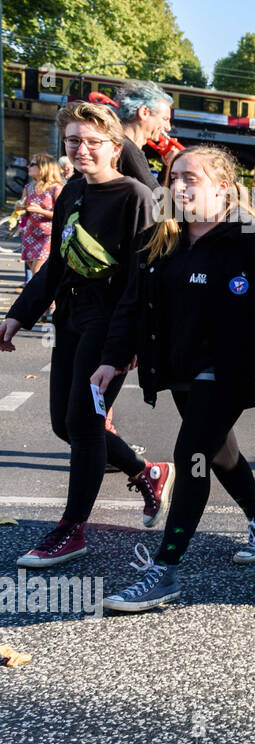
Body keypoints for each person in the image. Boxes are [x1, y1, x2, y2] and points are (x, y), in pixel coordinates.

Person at [91, 146, 255, 611]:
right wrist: (114, 356)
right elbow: (132, 303)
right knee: (217, 448)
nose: (179, 186)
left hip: (232, 367)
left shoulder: (252, 239)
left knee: (191, 452)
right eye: (174, 177)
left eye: (192, 178)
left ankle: (165, 570)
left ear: (224, 187)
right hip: (178, 365)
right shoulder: (160, 237)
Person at [0, 102, 173, 568]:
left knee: (82, 423)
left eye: (93, 142)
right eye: (73, 141)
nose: (82, 149)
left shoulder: (136, 197)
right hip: (72, 318)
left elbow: (141, 281)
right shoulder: (71, 191)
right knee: (66, 424)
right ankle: (147, 472)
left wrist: (120, 351)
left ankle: (72, 528)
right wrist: (19, 314)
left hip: (112, 323)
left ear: (116, 148)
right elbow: (58, 264)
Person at [115, 79, 174, 189]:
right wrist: (172, 166)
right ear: (144, 112)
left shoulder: (117, 143)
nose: (168, 127)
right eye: (165, 119)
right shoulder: (129, 149)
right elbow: (158, 199)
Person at [17, 153, 63, 283]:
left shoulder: (56, 188)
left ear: (44, 167)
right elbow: (24, 213)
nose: (28, 166)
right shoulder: (28, 187)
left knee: (38, 272)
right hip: (30, 234)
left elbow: (62, 214)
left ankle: (45, 302)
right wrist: (19, 209)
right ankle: (51, 300)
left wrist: (41, 211)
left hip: (49, 236)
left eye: (32, 164)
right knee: (35, 272)